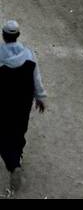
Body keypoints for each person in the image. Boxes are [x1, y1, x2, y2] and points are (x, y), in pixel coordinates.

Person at [0, 20, 47, 192]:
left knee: (3, 135)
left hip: (4, 103)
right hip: (23, 102)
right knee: (19, 130)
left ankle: (13, 165)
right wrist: (40, 97)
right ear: (18, 35)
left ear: (3, 35)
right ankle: (18, 156)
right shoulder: (28, 54)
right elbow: (36, 78)